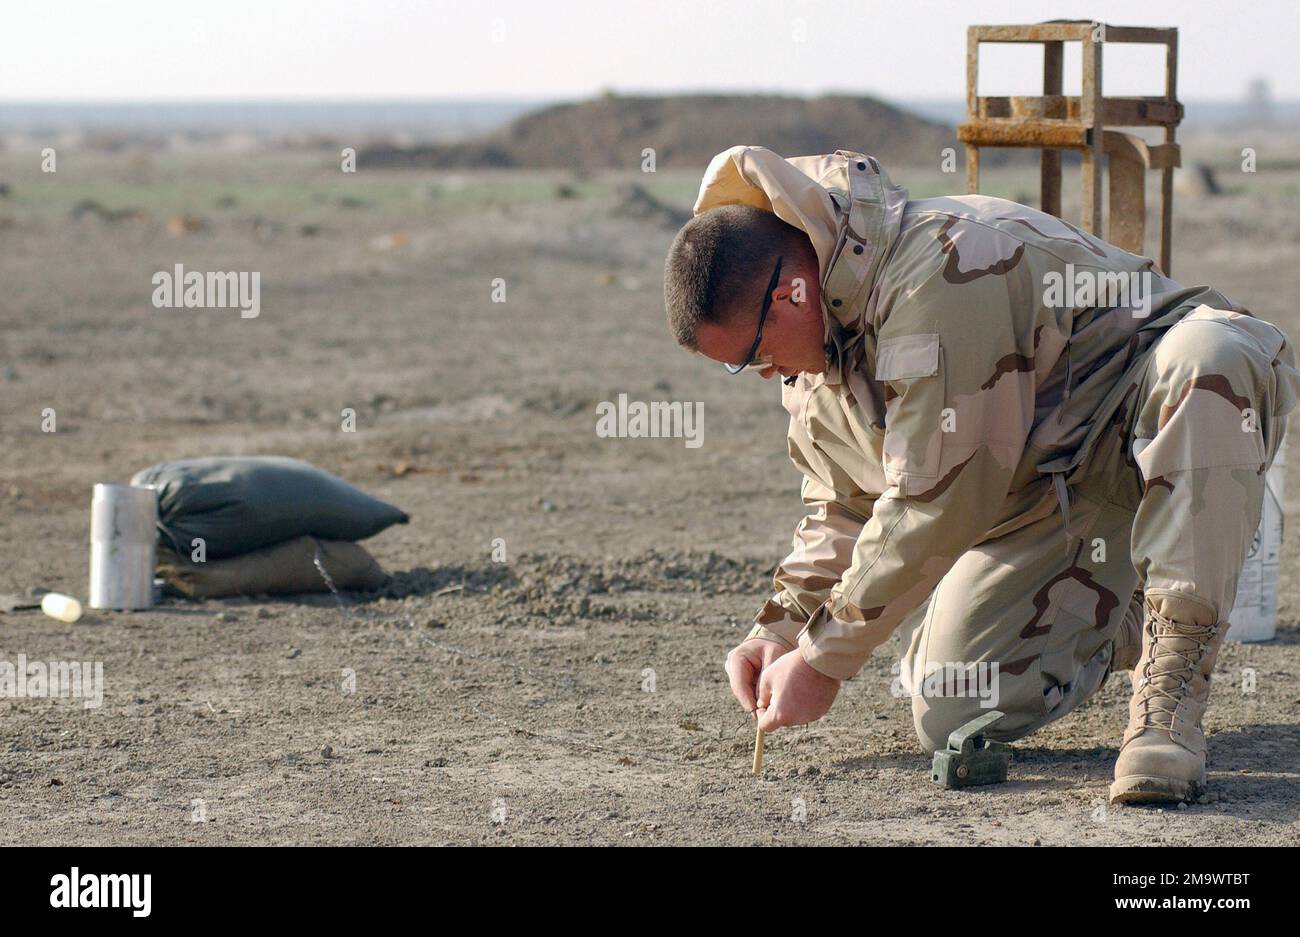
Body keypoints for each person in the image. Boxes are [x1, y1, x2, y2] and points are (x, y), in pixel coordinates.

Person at [662, 145, 1299, 803]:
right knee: (951, 707)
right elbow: (843, 505)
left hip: (1156, 419)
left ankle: (1170, 694)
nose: (764, 373)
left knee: (1210, 354)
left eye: (752, 355)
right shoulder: (816, 362)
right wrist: (780, 629)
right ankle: (1143, 593)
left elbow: (937, 501)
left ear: (789, 293)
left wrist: (823, 660)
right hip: (1051, 492)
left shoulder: (937, 272)